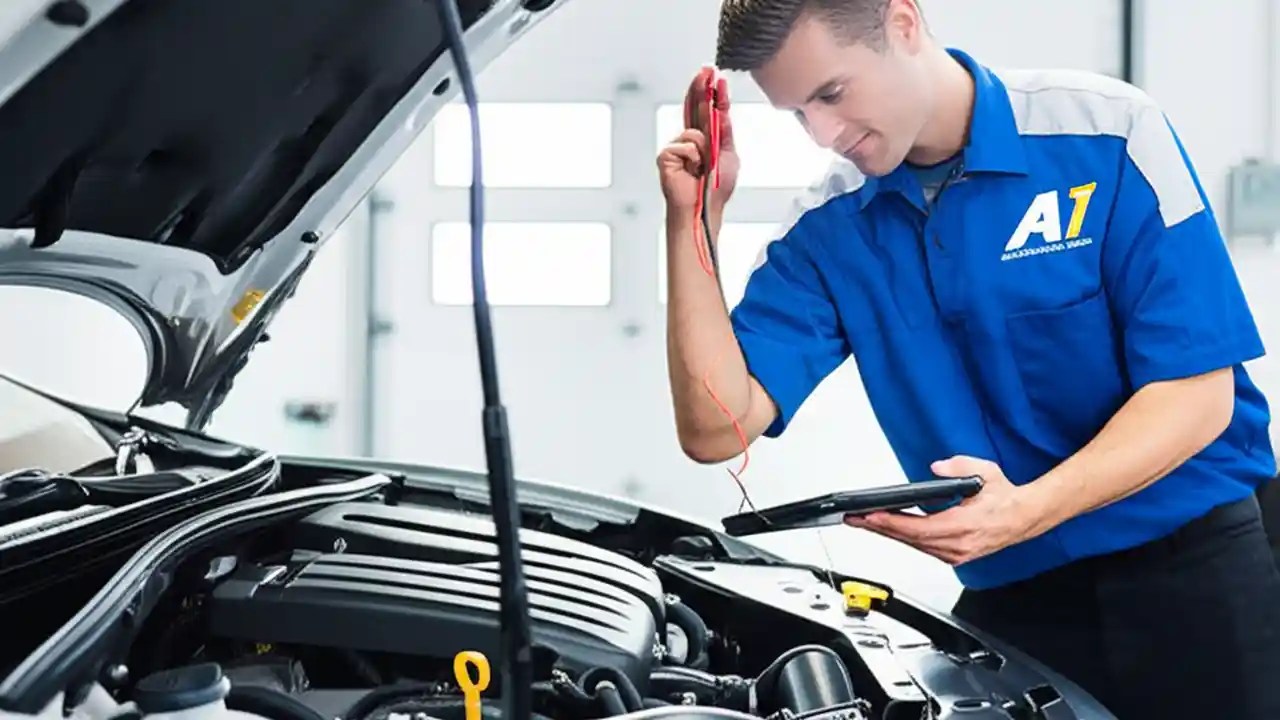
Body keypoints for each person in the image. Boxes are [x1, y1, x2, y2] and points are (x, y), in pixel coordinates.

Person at [656, 0, 1280, 717]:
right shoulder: (829, 230)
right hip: (1016, 596)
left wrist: (1027, 509)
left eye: (831, 93)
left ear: (903, 23)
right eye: (798, 113)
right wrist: (692, 225)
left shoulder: (1108, 135)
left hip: (1195, 572)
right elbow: (715, 427)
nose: (824, 135)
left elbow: (1198, 396)